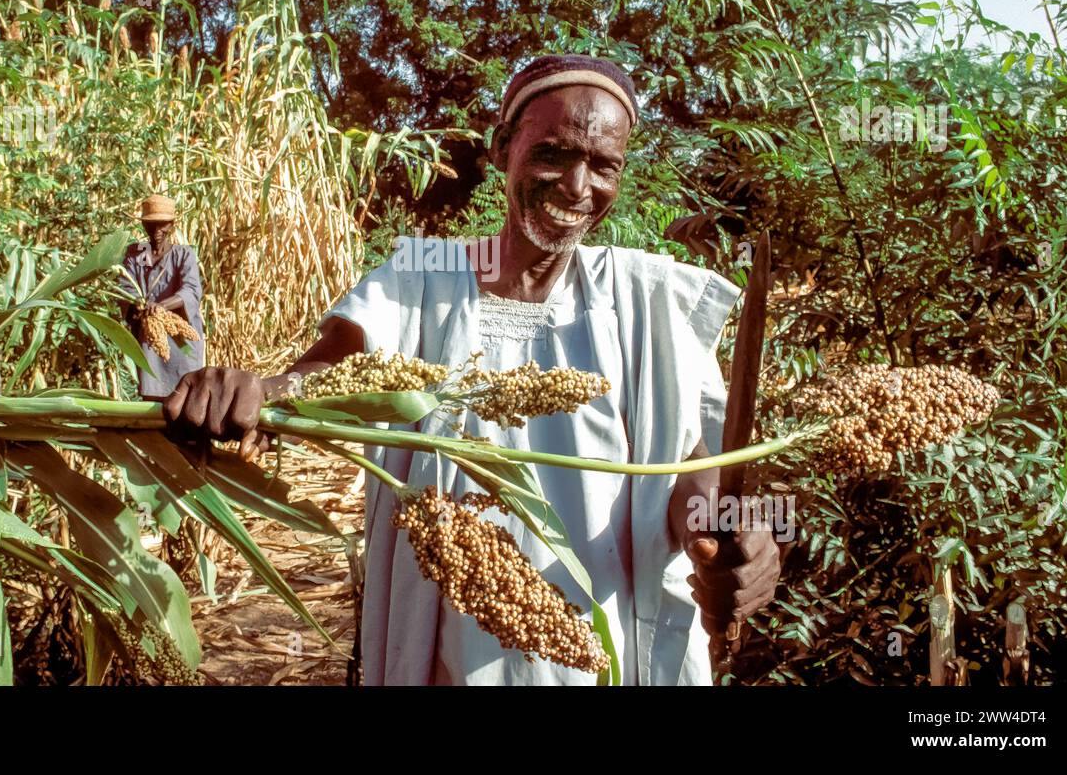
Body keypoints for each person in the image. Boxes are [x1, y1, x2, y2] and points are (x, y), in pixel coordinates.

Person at [164, 55, 781, 684]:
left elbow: (689, 473)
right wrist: (259, 392)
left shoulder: (641, 299)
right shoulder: (425, 277)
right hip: (445, 661)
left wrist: (724, 537)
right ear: (501, 149)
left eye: (602, 165)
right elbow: (325, 375)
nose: (576, 186)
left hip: (597, 657)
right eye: (554, 153)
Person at [119, 195, 206, 402]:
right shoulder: (141, 253)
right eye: (151, 225)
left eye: (162, 225)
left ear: (172, 225)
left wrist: (160, 307)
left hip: (180, 335)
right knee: (152, 386)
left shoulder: (183, 255)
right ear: (143, 225)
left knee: (186, 387)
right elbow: (127, 286)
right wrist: (138, 305)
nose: (157, 231)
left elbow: (191, 291)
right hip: (150, 336)